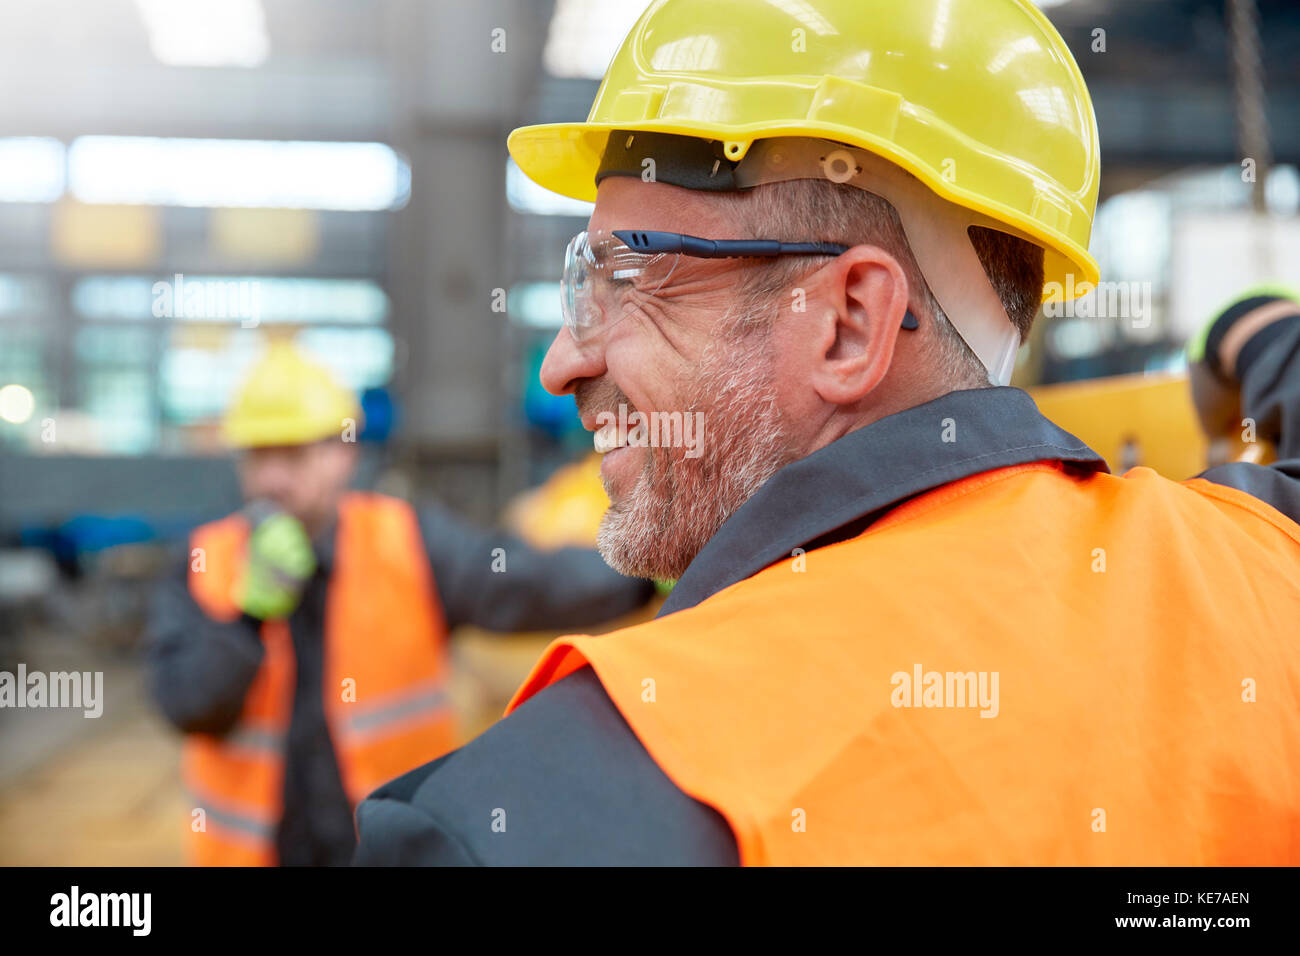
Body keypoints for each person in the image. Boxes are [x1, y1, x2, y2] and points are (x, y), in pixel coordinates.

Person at [354, 0, 1300, 865]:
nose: (563, 361)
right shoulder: (1263, 564)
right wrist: (1256, 330)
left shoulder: (529, 815)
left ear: (848, 321)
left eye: (631, 278)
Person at [146, 341, 654, 865]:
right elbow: (186, 705)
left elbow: (526, 583)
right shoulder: (205, 560)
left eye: (293, 454)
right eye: (258, 455)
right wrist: (247, 618)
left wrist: (643, 569)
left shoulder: (406, 540)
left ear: (342, 452)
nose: (273, 478)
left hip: (385, 849)